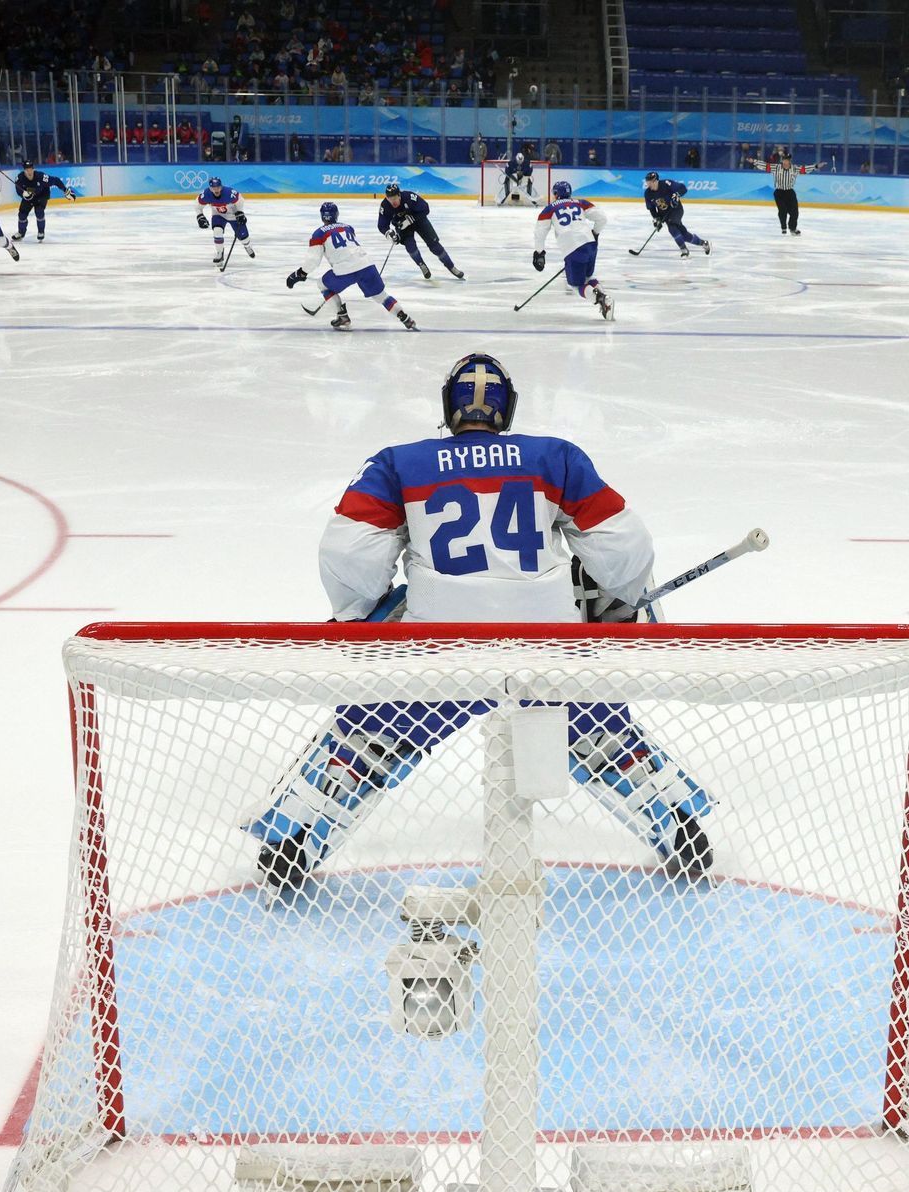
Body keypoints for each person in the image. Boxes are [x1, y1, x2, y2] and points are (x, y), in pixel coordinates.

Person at [250, 352, 712, 892]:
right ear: (507, 409)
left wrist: (362, 614)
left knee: (367, 737)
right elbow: (624, 547)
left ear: (448, 408)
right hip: (546, 647)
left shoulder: (399, 462)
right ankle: (681, 827)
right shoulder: (556, 457)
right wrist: (624, 601)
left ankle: (292, 838)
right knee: (600, 733)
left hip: (438, 649)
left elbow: (349, 554)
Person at [286, 200, 417, 332]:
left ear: (322, 216)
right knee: (381, 296)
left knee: (322, 284)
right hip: (366, 265)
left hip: (344, 271)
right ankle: (405, 318)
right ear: (336, 214)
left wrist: (301, 273)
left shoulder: (319, 233)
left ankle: (342, 316)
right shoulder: (348, 227)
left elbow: (313, 260)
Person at [534, 179, 613, 320]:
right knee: (588, 277)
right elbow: (602, 218)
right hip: (590, 244)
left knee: (576, 285)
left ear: (556, 194)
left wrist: (539, 253)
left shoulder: (549, 209)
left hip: (572, 249)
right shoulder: (580, 203)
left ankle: (601, 299)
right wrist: (595, 233)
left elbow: (540, 232)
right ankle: (605, 299)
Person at [377, 179, 464, 280]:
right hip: (403, 227)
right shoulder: (385, 205)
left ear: (399, 195)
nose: (393, 201)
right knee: (411, 248)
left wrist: (411, 219)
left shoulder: (409, 196)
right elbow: (382, 225)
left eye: (395, 198)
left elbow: (425, 208)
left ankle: (451, 267)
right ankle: (421, 264)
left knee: (434, 245)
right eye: (390, 198)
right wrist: (389, 234)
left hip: (420, 221)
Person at [642, 171, 711, 258]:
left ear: (656, 181)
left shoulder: (666, 183)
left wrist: (676, 195)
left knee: (672, 228)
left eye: (650, 182)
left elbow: (683, 188)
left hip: (676, 209)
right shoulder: (647, 193)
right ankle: (704, 243)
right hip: (665, 214)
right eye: (647, 182)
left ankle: (684, 250)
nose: (648, 184)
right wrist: (656, 219)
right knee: (684, 235)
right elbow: (652, 208)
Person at [750, 150, 813, 234]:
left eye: (787, 160)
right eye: (784, 160)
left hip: (790, 192)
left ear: (790, 161)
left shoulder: (794, 168)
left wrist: (816, 166)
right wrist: (754, 161)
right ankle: (783, 227)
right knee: (783, 210)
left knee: (794, 212)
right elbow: (765, 166)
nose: (786, 162)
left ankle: (793, 228)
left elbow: (804, 169)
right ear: (782, 160)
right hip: (779, 193)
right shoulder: (776, 167)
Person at [13, 157, 76, 241]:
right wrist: (23, 195)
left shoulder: (41, 177)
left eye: (30, 169)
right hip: (28, 198)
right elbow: (18, 190)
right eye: (27, 170)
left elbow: (56, 180)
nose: (29, 172)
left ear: (33, 169)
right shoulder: (19, 178)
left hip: (41, 196)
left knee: (39, 212)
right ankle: (21, 233)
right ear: (24, 170)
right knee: (22, 215)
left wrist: (65, 190)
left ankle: (41, 232)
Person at [195, 175, 254, 263]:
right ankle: (219, 252)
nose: (216, 190)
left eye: (218, 187)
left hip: (233, 215)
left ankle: (247, 246)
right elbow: (197, 204)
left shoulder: (229, 192)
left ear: (221, 186)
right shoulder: (206, 194)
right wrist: (199, 216)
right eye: (213, 188)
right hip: (218, 215)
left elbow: (240, 199)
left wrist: (240, 212)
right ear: (210, 188)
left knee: (243, 237)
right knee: (217, 231)